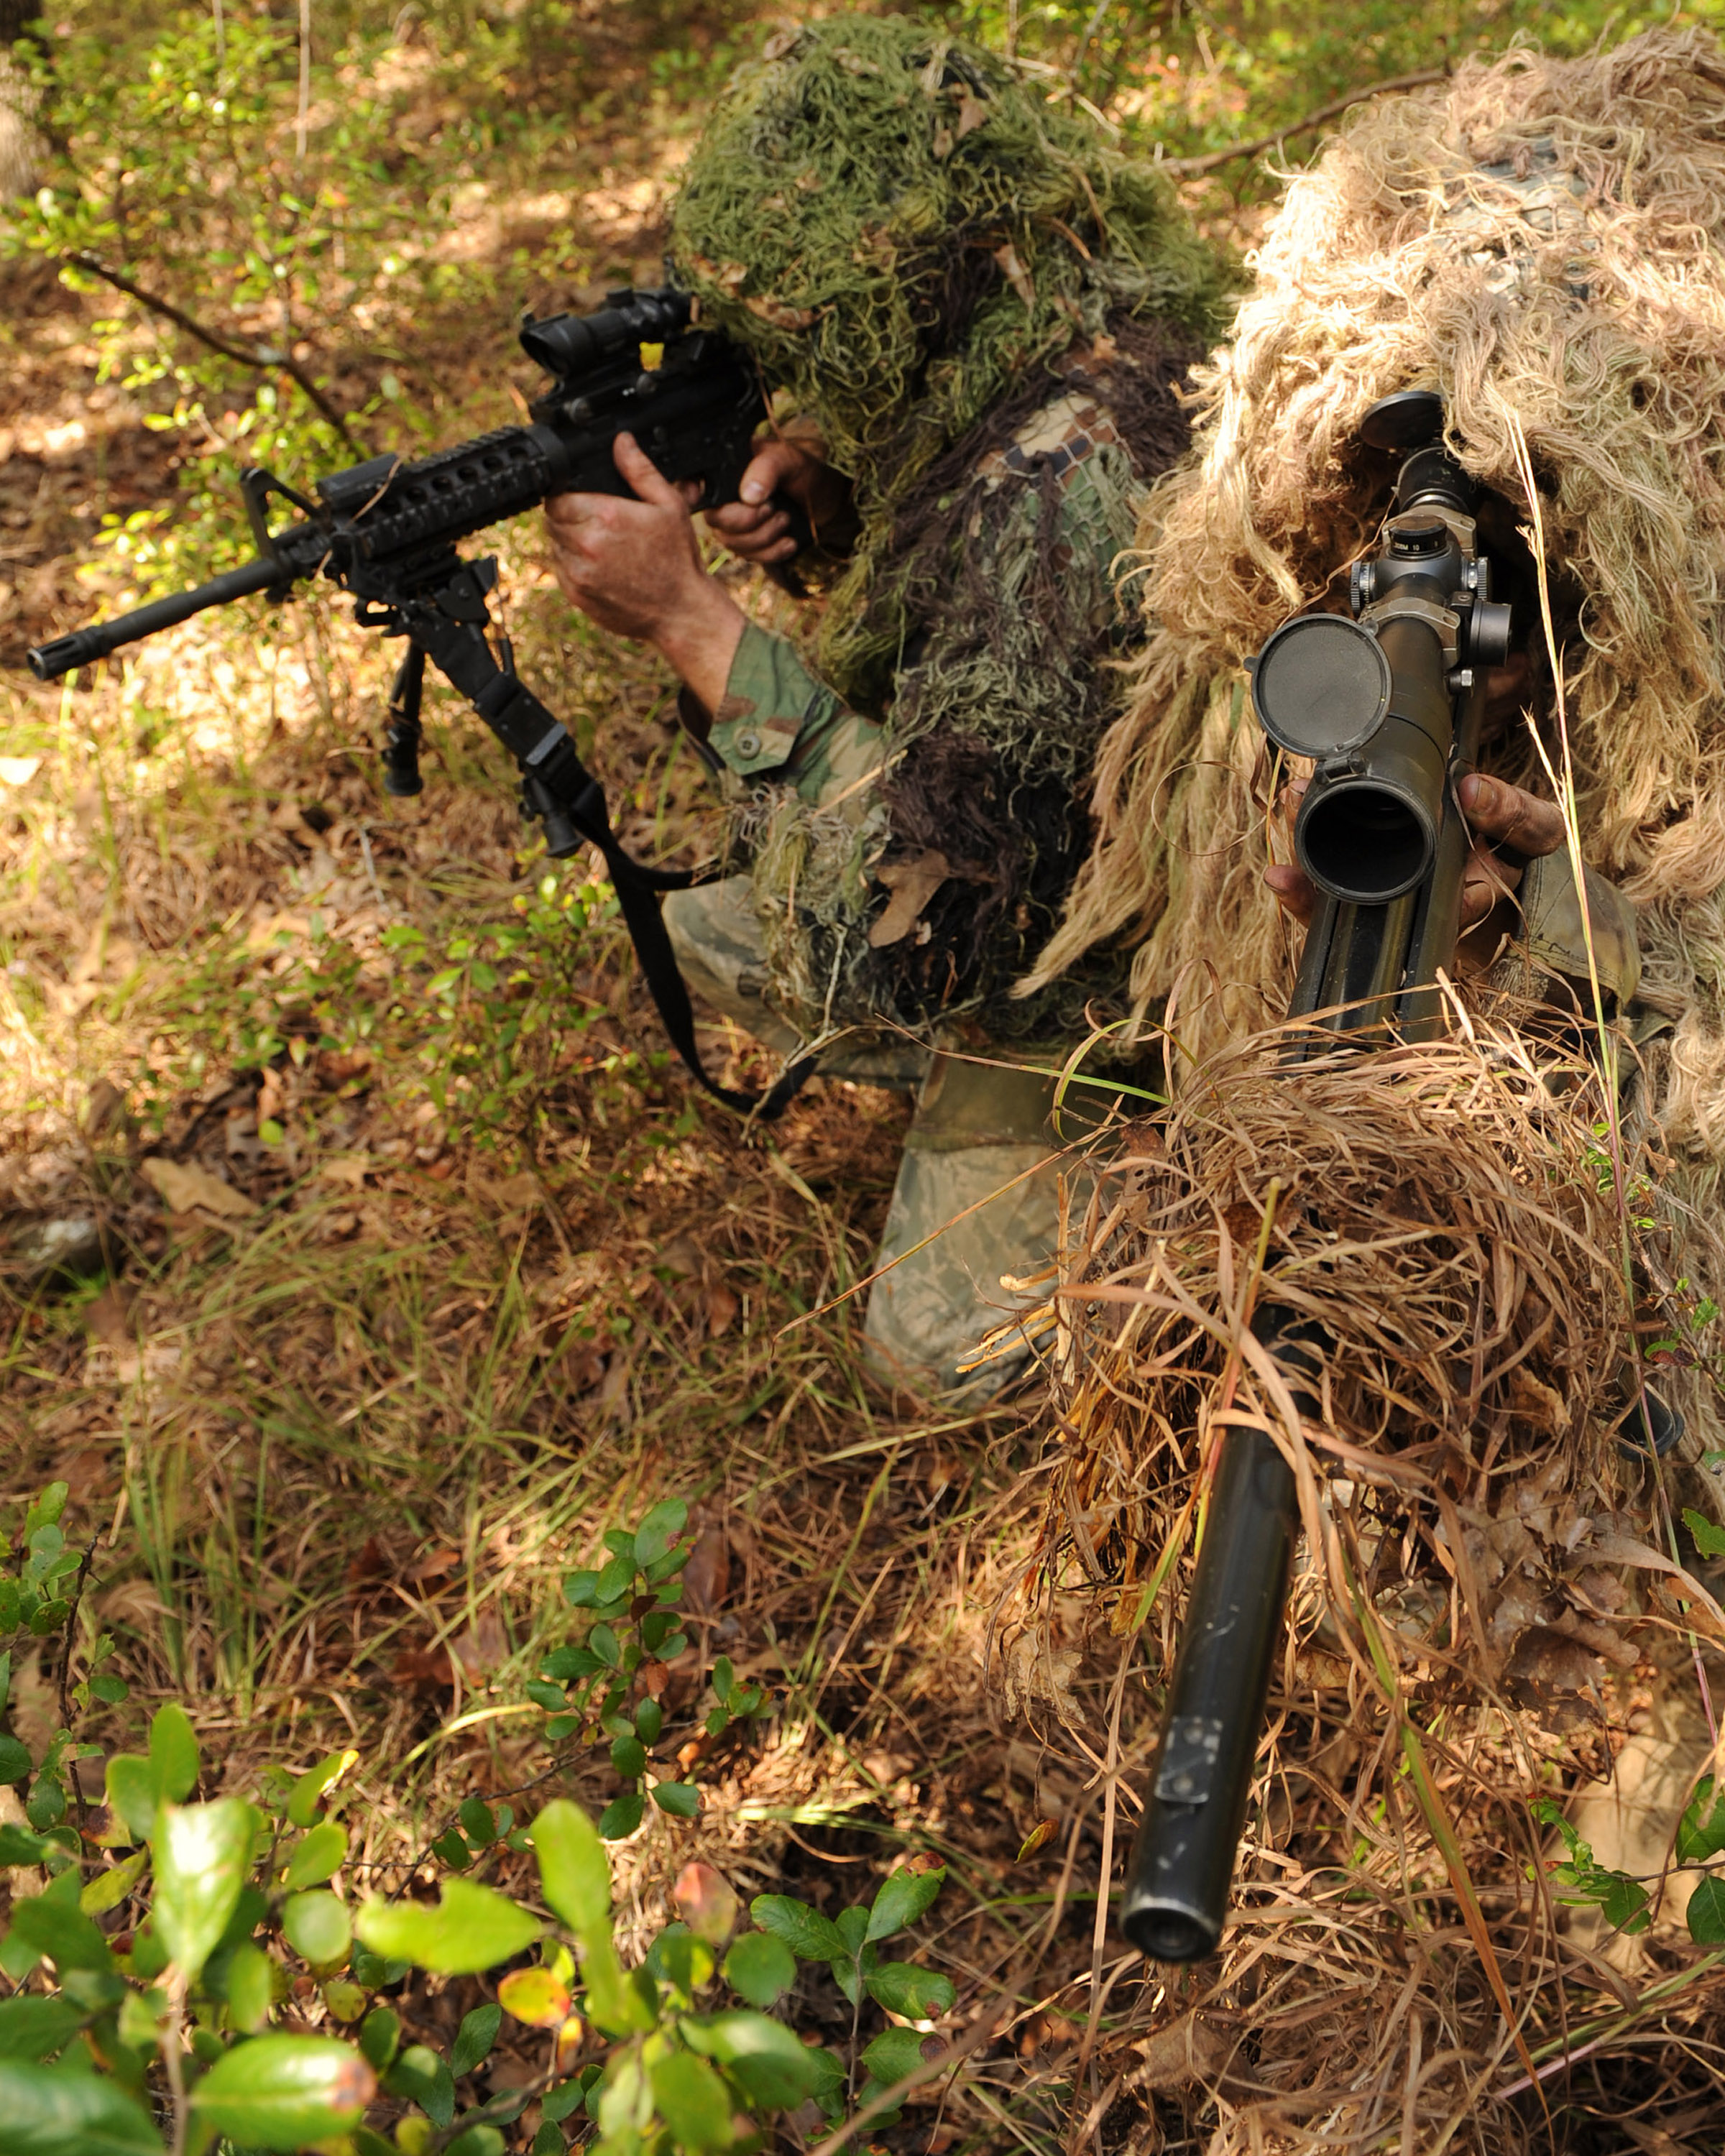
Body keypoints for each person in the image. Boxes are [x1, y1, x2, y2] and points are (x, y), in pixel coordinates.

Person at [543, 16, 1231, 1399]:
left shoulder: (1060, 486)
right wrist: (840, 496)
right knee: (706, 934)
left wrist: (695, 622)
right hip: (1129, 836)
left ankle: (1159, 1128)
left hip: (1158, 953)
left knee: (937, 1358)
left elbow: (938, 922)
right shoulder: (1093, 329)